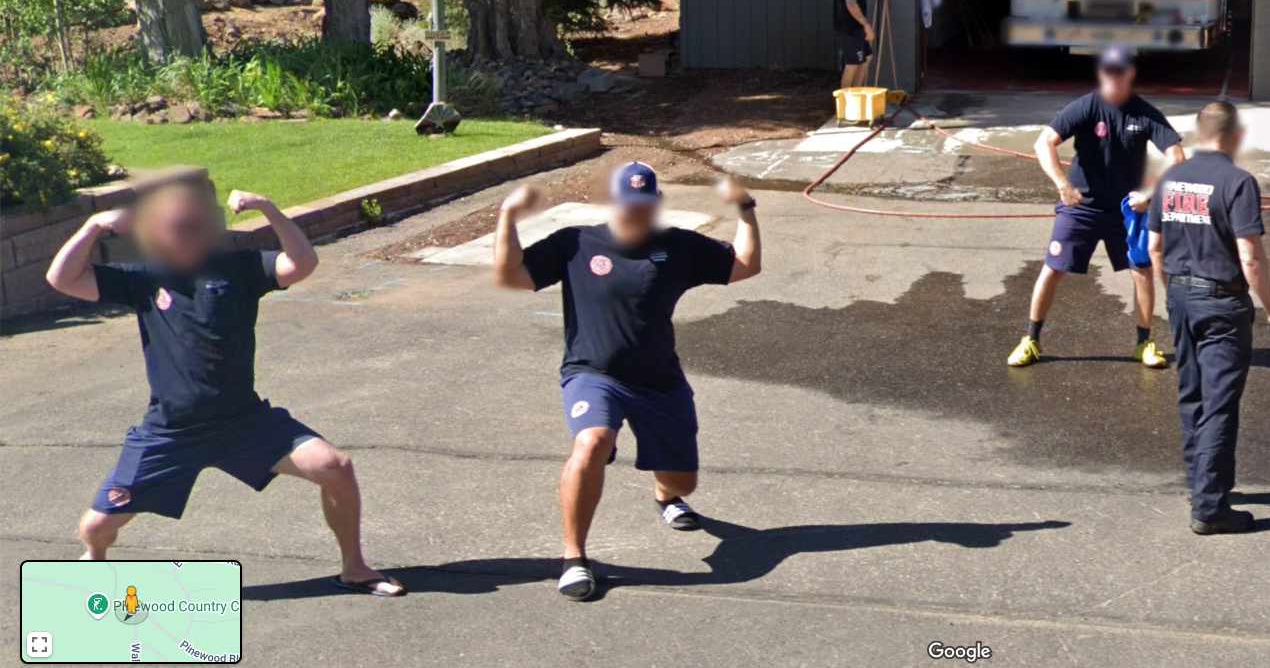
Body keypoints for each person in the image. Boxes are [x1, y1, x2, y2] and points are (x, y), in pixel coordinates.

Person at [43, 180, 404, 596]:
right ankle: (94, 560)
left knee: (334, 466)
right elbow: (62, 279)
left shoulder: (240, 268)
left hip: (243, 422)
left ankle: (355, 568)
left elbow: (302, 263)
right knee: (96, 528)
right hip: (171, 433)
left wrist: (268, 208)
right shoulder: (143, 278)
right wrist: (92, 227)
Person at [493, 162, 762, 601]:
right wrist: (507, 215)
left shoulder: (677, 246)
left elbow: (745, 265)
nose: (634, 211)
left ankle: (665, 495)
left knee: (682, 483)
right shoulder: (575, 243)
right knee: (591, 442)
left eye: (643, 204)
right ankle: (574, 558)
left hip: (659, 381)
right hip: (592, 373)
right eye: (626, 203)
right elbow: (512, 275)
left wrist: (746, 208)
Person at [1149, 101, 1270, 534]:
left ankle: (1200, 484)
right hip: (1221, 304)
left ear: (1198, 133)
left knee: (1192, 394)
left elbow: (1154, 247)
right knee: (1220, 404)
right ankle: (1210, 508)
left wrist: (1172, 294)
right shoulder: (1239, 183)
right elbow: (1250, 256)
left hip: (1180, 297)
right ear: (1235, 135)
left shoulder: (1170, 178)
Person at [1006, 46, 1186, 369]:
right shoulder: (1087, 107)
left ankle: (1143, 343)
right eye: (1108, 71)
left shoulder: (1144, 113)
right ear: (1101, 73)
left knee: (1142, 271)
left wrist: (1149, 195)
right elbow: (1043, 142)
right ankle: (1031, 339)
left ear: (1131, 74)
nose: (1113, 77)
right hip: (1081, 206)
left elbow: (1177, 157)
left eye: (1119, 71)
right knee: (1053, 268)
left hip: (1126, 210)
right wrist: (1063, 184)